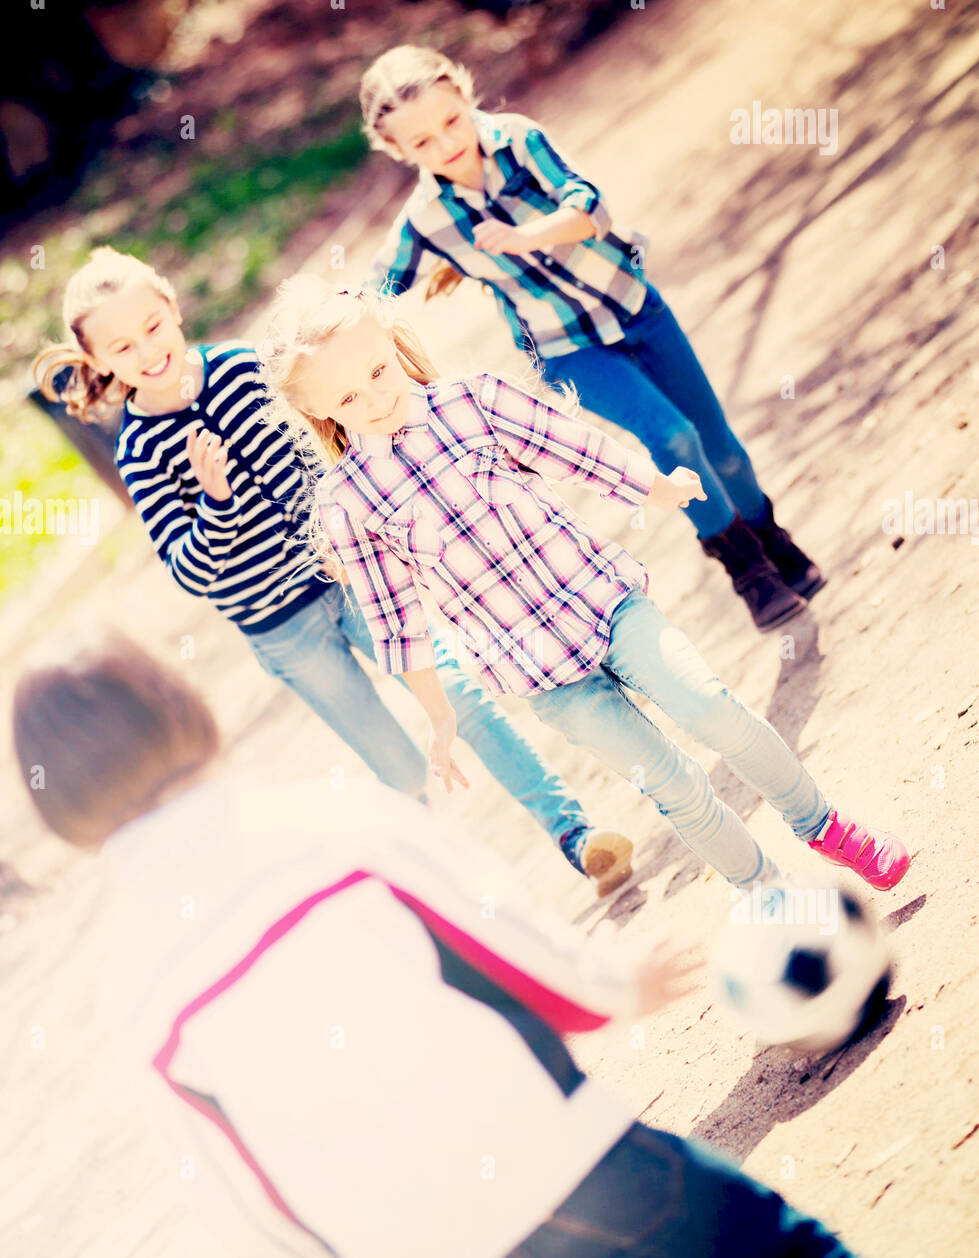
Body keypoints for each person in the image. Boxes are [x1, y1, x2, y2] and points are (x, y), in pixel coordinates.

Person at [12, 633, 904, 1258]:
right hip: (559, 1160)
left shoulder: (127, 989)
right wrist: (609, 992)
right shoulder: (328, 824)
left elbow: (229, 1192)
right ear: (182, 708)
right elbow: (492, 930)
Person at [259, 276, 910, 896]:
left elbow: (571, 448)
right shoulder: (346, 505)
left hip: (605, 602)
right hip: (541, 675)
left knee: (709, 707)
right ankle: (770, 895)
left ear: (391, 344)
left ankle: (824, 826)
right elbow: (394, 618)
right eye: (347, 398)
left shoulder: (472, 401)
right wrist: (436, 715)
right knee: (669, 783)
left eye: (377, 372)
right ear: (313, 410)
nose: (374, 399)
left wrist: (655, 488)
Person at [30, 246, 634, 898]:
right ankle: (452, 900)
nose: (148, 352)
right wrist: (216, 501)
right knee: (396, 767)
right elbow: (190, 572)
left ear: (173, 308)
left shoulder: (245, 367)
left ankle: (574, 834)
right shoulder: (141, 452)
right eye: (121, 348)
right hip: (282, 629)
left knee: (458, 696)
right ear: (98, 364)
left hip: (353, 579)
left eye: (152, 326)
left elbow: (328, 444)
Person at [360, 44, 823, 633]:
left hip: (636, 308)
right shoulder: (425, 219)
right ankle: (749, 574)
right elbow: (374, 295)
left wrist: (519, 238)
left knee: (718, 442)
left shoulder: (519, 140)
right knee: (674, 438)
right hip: (566, 348)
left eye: (451, 121)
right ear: (397, 151)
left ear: (463, 93)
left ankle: (772, 540)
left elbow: (591, 207)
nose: (447, 144)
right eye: (422, 142)